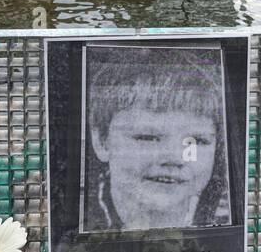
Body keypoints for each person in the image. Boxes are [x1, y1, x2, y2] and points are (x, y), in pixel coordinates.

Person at [83, 47, 229, 233]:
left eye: (196, 140)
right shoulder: (77, 222)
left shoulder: (228, 220)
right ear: (102, 141)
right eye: (148, 138)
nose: (175, 158)